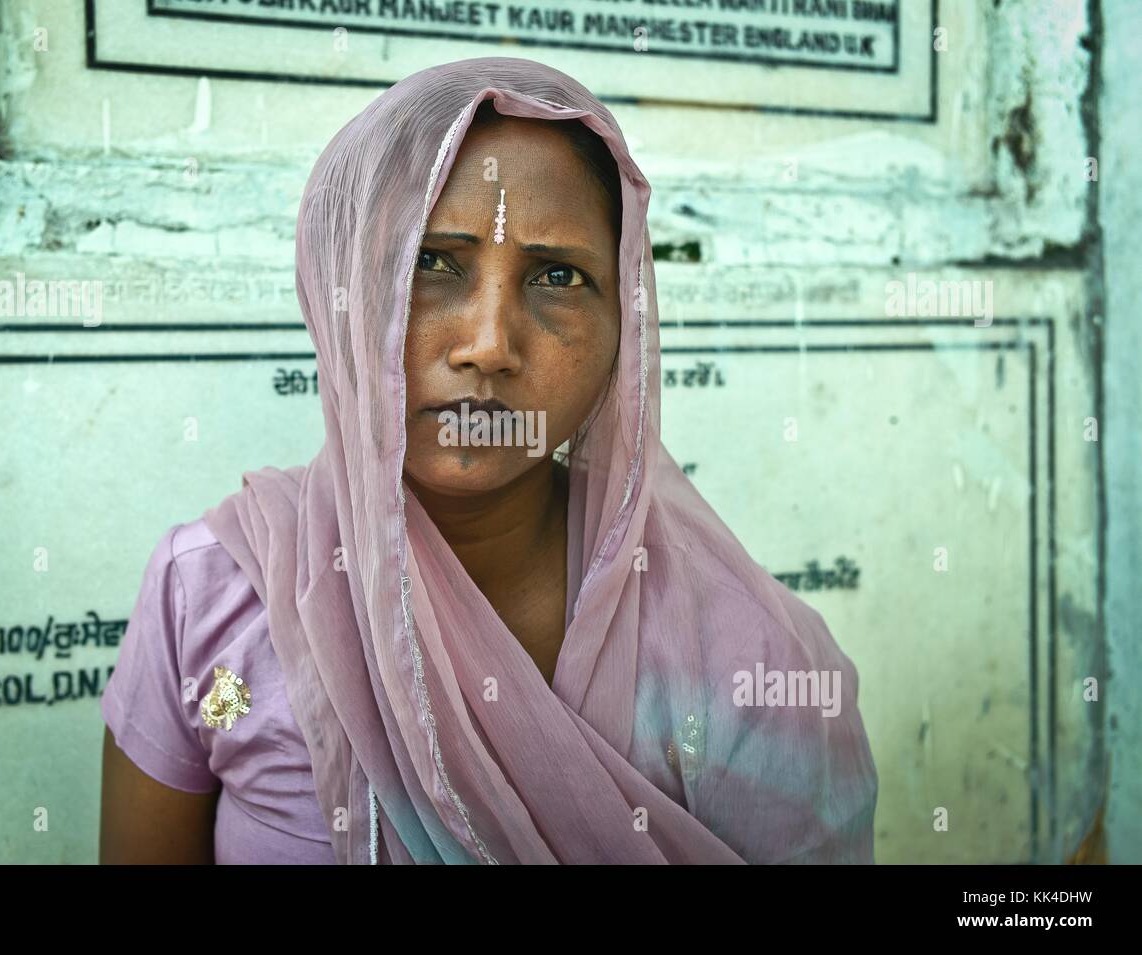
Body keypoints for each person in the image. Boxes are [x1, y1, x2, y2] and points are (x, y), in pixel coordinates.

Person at [99, 56, 878, 864]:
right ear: (347, 289)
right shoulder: (210, 599)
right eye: (432, 263)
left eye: (557, 276)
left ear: (625, 334)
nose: (489, 346)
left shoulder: (751, 658)